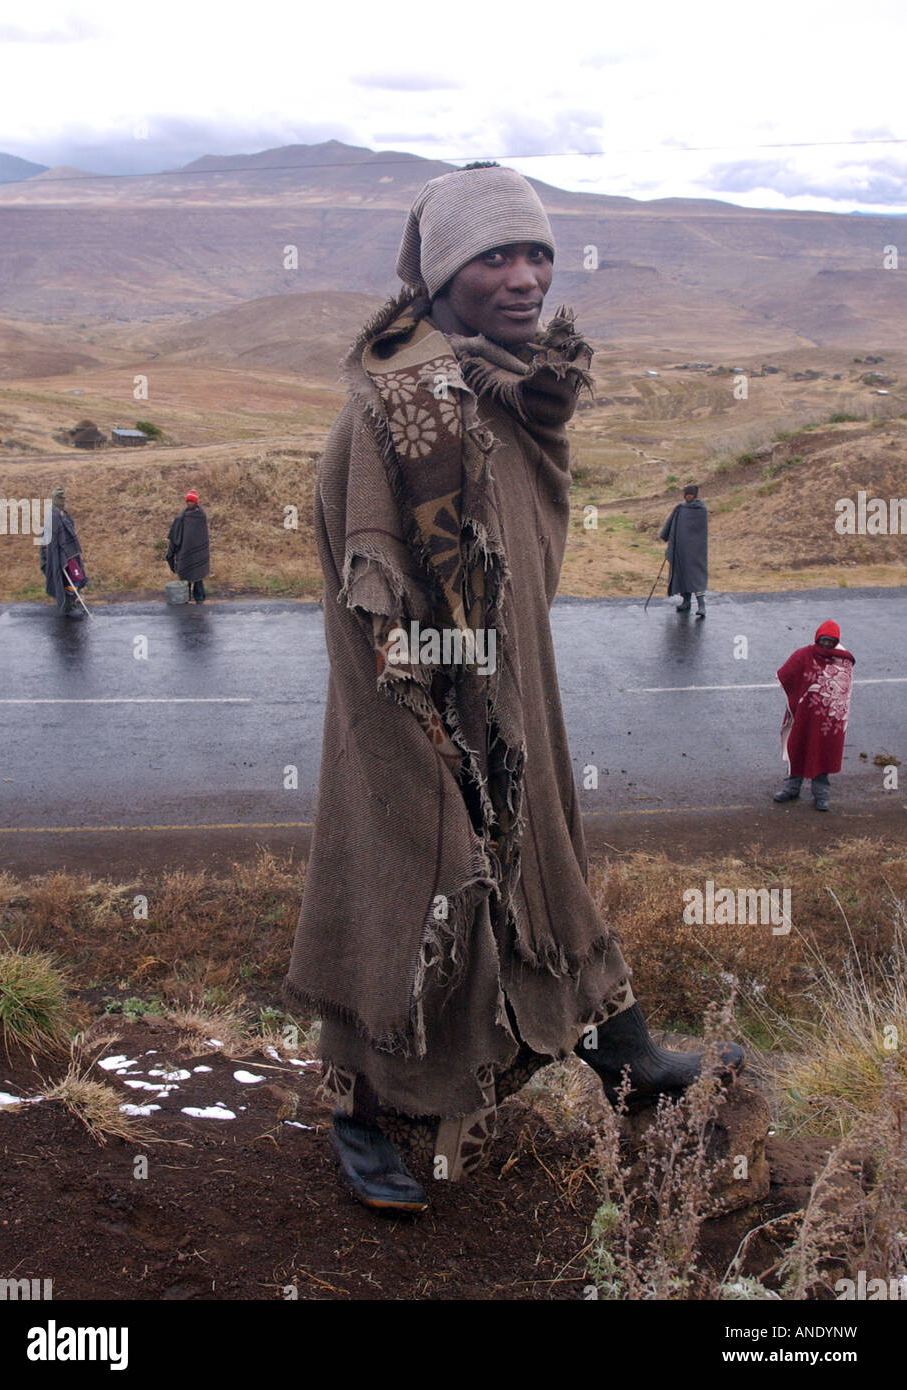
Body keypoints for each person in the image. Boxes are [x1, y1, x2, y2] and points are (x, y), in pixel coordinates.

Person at [285, 164, 744, 1214]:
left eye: (537, 252)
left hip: (510, 689)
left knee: (539, 854)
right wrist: (430, 716)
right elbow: (369, 588)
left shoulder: (514, 393)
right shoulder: (397, 409)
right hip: (405, 699)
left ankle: (617, 1049)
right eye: (496, 255)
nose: (526, 275)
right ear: (444, 273)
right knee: (407, 881)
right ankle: (363, 1111)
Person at [773, 620, 855, 812]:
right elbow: (786, 674)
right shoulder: (804, 655)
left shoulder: (843, 661)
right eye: (824, 640)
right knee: (797, 748)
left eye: (831, 641)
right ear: (818, 638)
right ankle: (791, 788)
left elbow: (843, 693)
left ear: (836, 641)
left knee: (823, 753)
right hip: (804, 716)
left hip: (827, 719)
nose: (826, 644)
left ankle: (821, 795)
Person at [659, 483, 708, 617]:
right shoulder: (680, 509)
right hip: (680, 548)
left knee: (696, 577)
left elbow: (700, 531)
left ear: (695, 496)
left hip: (696, 550)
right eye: (686, 495)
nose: (688, 497)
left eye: (690, 495)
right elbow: (671, 522)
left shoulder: (701, 510)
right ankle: (686, 602)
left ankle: (701, 605)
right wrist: (666, 536)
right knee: (682, 575)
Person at [39, 485, 86, 617]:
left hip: (69, 553)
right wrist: (50, 555)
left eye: (63, 498)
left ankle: (71, 601)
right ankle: (67, 607)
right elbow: (47, 539)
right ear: (55, 499)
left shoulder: (63, 514)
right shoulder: (53, 516)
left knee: (76, 577)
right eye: (60, 498)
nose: (63, 500)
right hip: (59, 555)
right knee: (69, 579)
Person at [166, 490, 210, 602]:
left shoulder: (201, 516)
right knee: (185, 575)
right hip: (184, 551)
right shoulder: (181, 517)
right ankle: (185, 597)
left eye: (191, 501)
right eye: (188, 501)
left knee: (198, 576)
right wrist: (173, 550)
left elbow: (203, 536)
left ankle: (199, 597)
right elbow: (175, 535)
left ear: (196, 503)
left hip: (199, 553)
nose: (189, 503)